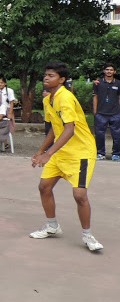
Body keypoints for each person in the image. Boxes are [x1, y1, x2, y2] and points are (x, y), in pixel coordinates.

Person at [30, 61, 102, 252]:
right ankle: (52, 226)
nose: (46, 78)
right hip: (61, 151)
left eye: (51, 75)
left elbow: (69, 130)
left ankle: (88, 236)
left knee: (79, 195)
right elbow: (55, 128)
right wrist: (40, 151)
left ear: (61, 80)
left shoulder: (65, 98)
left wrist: (48, 153)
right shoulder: (48, 100)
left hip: (80, 152)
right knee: (44, 187)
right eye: (45, 74)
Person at [92, 63, 120, 161]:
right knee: (99, 135)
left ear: (114, 72)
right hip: (101, 113)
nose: (109, 71)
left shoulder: (118, 83)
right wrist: (95, 112)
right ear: (104, 71)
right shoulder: (98, 83)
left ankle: (116, 154)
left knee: (117, 135)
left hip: (115, 113)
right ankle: (100, 153)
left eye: (111, 70)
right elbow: (95, 97)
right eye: (107, 69)